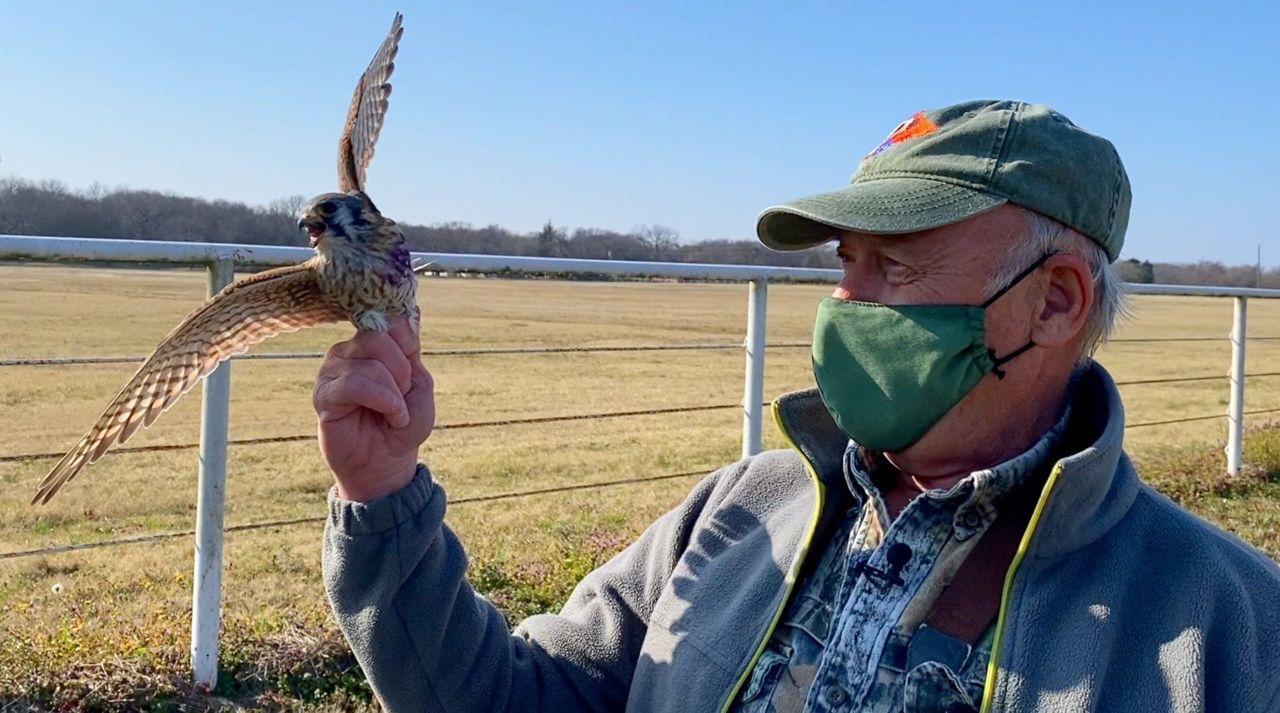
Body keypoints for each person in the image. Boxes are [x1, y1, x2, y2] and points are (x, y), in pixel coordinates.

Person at [313, 100, 1280, 712]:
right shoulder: (739, 510)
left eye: (893, 267)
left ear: (1057, 300)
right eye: (841, 267)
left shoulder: (1227, 627)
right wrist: (383, 491)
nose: (842, 311)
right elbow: (508, 698)